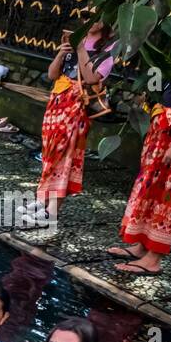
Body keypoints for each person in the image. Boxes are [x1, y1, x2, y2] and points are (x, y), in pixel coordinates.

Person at [106, 44, 171, 276]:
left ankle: (153, 258)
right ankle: (142, 245)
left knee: (169, 194)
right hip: (166, 126)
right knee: (150, 188)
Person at [37, 23, 116, 222]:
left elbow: (91, 78)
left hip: (77, 105)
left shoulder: (108, 48)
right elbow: (52, 75)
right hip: (57, 101)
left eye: (95, 16)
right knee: (50, 152)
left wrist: (80, 49)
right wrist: (61, 53)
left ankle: (52, 210)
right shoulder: (75, 40)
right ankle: (44, 199)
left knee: (66, 154)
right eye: (86, 15)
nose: (90, 20)